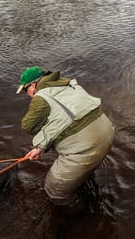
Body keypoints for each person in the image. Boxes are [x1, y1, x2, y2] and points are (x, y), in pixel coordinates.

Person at [16, 66, 114, 207]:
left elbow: (27, 126)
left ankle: (80, 218)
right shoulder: (67, 84)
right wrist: (41, 148)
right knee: (84, 175)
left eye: (26, 90)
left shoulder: (41, 97)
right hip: (108, 133)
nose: (28, 94)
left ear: (33, 85)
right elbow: (65, 119)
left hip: (86, 148)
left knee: (54, 189)